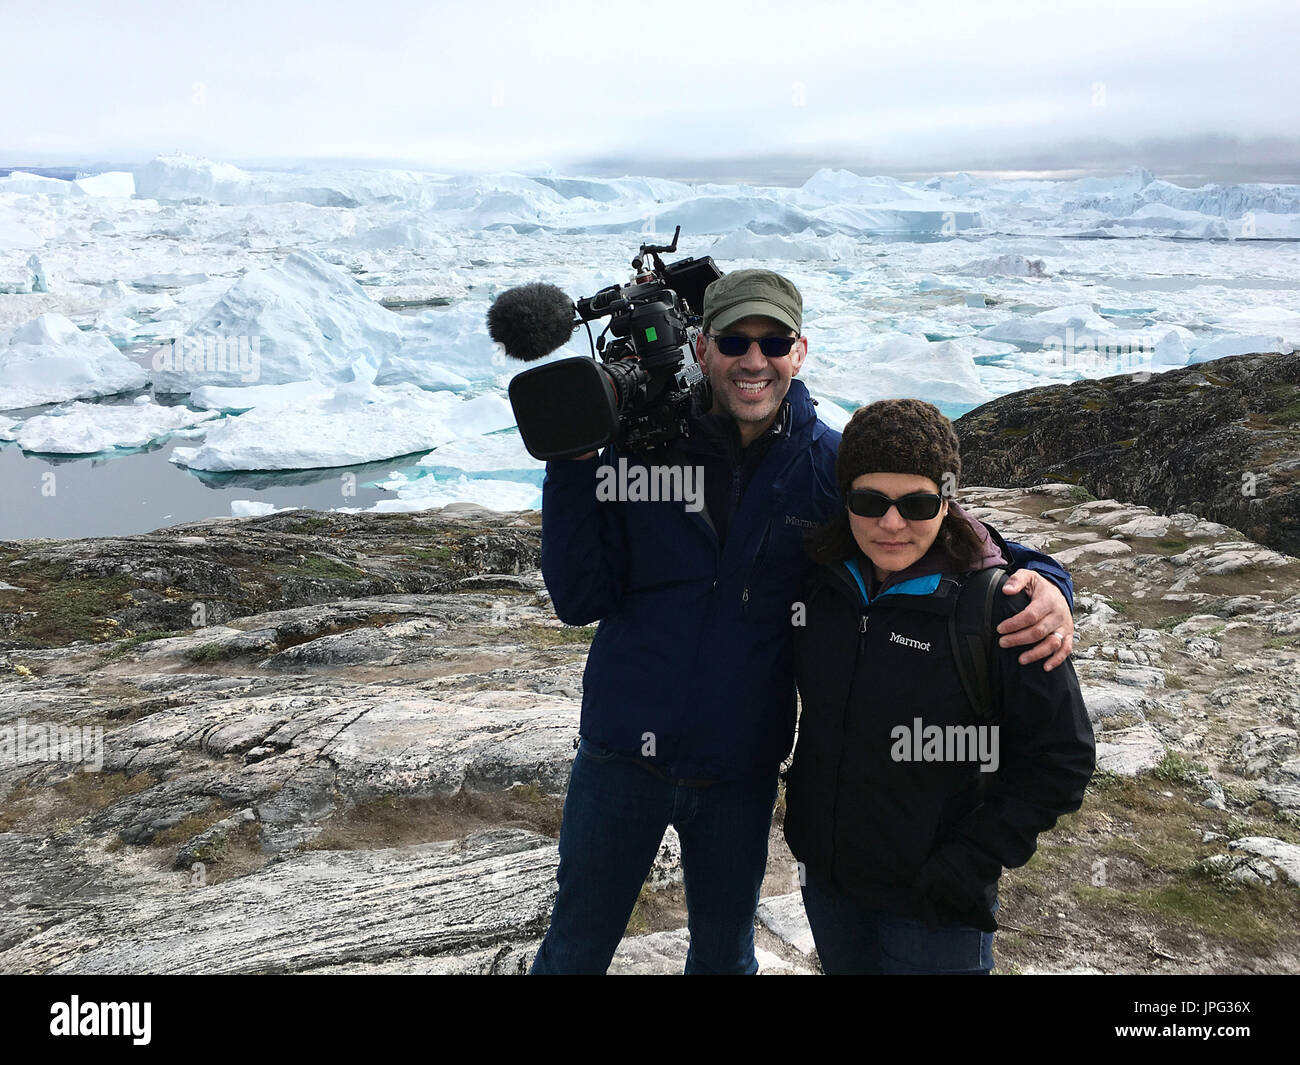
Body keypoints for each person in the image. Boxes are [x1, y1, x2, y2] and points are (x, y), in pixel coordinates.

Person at [530, 269, 1078, 975]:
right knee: (574, 950)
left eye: (773, 341)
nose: (753, 360)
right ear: (701, 348)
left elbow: (929, 521)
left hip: (738, 772)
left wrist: (1047, 577)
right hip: (618, 757)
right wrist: (571, 468)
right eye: (733, 340)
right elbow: (577, 598)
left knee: (724, 957)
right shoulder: (642, 449)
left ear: (800, 350)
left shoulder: (828, 465)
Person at [783, 398, 1096, 974]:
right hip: (829, 883)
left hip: (936, 904)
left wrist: (971, 862)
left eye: (918, 503)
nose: (892, 523)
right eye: (869, 501)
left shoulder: (999, 609)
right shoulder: (821, 586)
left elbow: (1063, 756)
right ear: (844, 498)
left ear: (947, 503)